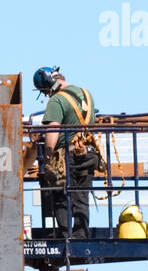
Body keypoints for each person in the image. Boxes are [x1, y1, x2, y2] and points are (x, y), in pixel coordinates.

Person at [33, 65, 99, 236]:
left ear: (50, 84)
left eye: (46, 91)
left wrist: (47, 157)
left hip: (68, 156)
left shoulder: (57, 100)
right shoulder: (86, 94)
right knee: (81, 197)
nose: (48, 95)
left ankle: (64, 237)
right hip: (88, 152)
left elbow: (52, 130)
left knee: (60, 195)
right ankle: (80, 236)